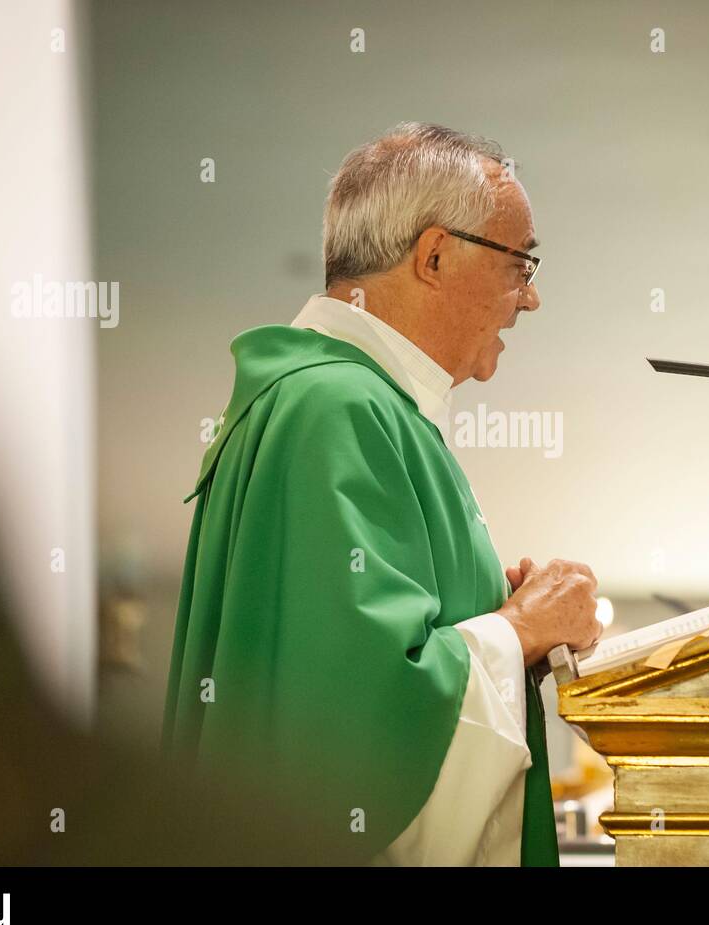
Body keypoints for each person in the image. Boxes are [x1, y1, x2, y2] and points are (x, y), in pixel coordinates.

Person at [162, 122, 602, 866]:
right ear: (434, 255)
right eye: (520, 263)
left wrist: (505, 621)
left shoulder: (349, 404)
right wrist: (518, 630)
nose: (529, 297)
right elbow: (356, 722)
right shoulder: (336, 408)